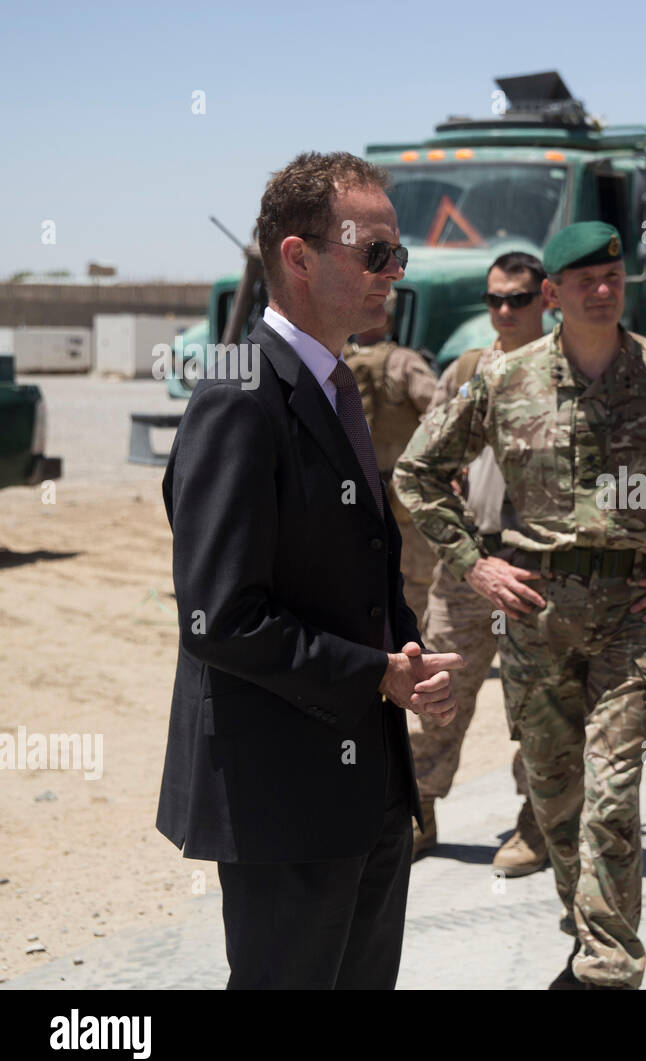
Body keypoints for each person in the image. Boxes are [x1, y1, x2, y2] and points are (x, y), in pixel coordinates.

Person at [394, 221, 646, 989]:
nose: (602, 291)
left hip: (633, 616)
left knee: (611, 795)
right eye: (584, 282)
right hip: (535, 616)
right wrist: (475, 566)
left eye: (613, 278)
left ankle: (608, 967)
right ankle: (587, 928)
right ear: (553, 294)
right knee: (556, 797)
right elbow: (416, 474)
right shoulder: (504, 379)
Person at [156, 151, 462, 988]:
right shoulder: (240, 393)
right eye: (375, 254)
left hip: (363, 791)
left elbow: (362, 560)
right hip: (281, 797)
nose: (392, 274)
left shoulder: (335, 384)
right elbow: (220, 616)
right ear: (297, 257)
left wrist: (405, 652)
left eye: (398, 256)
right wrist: (375, 676)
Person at [409, 251, 549, 873]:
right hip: (468, 563)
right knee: (437, 694)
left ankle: (537, 823)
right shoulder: (467, 370)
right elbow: (421, 463)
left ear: (545, 297)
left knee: (537, 707)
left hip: (537, 570)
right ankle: (418, 813)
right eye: (493, 299)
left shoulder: (569, 370)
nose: (502, 311)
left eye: (516, 299)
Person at [346, 291, 438, 626]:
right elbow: (440, 412)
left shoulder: (333, 358)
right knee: (415, 576)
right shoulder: (404, 360)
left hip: (354, 491)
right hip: (400, 489)